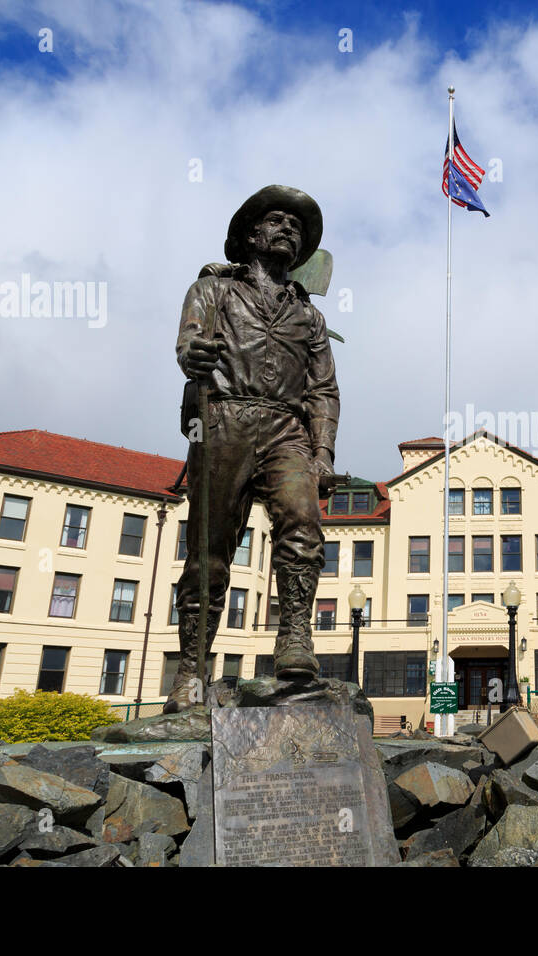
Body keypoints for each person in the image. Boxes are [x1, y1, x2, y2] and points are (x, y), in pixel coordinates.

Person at [165, 185, 339, 714]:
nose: (288, 229)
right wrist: (194, 354)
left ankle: (294, 640)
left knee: (302, 522)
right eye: (277, 221)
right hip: (222, 420)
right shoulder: (211, 292)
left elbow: (323, 389)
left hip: (287, 427)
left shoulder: (310, 318)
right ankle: (192, 674)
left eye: (297, 226)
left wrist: (323, 452)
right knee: (210, 552)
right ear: (250, 235)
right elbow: (189, 346)